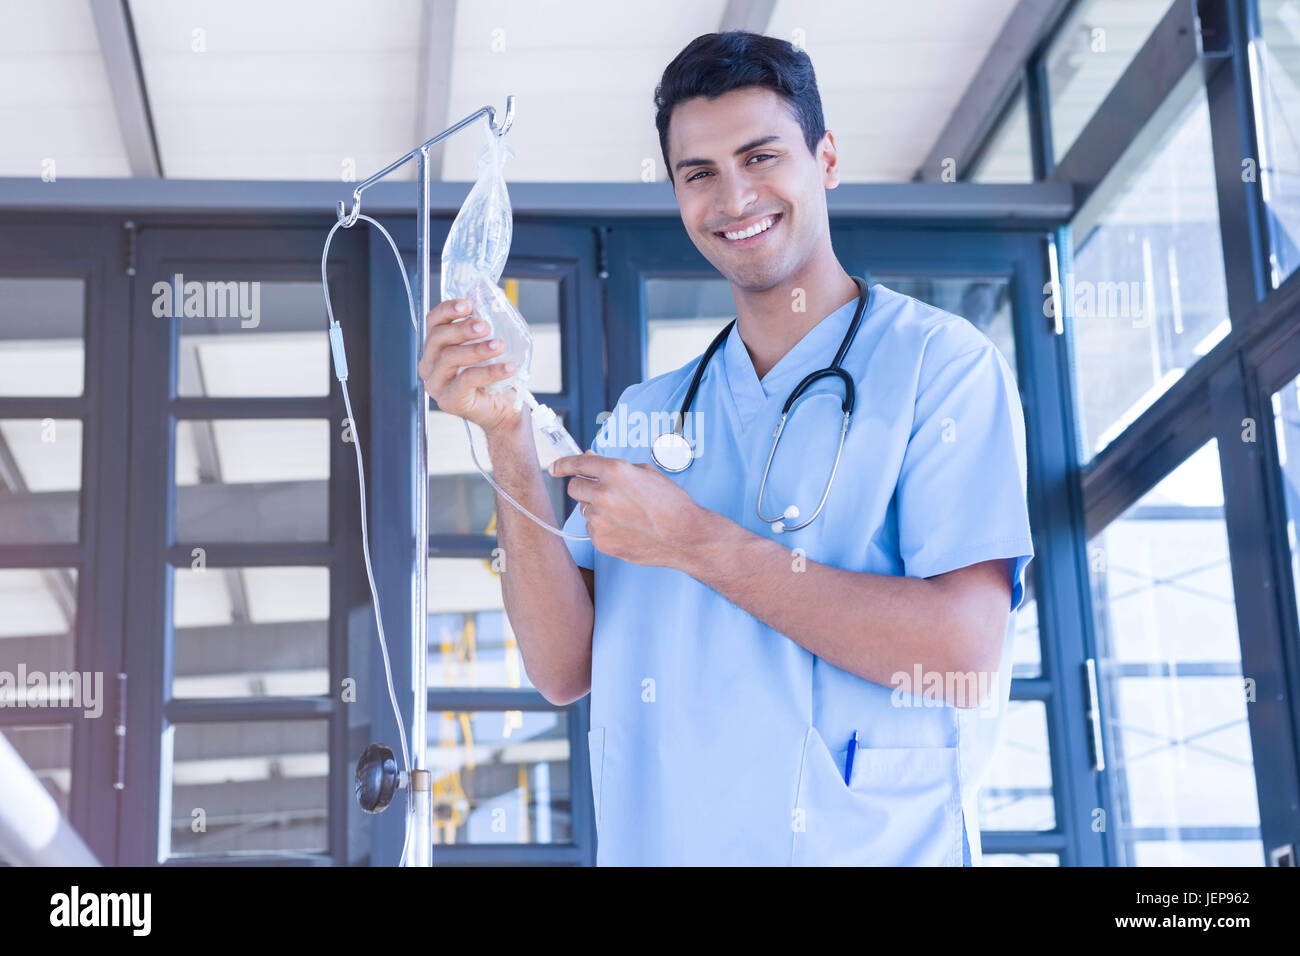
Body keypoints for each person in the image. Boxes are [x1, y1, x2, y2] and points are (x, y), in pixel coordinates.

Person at [418, 30, 1034, 865]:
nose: (734, 198)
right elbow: (564, 667)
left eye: (761, 157)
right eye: (698, 174)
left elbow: (963, 655)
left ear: (826, 160)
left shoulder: (941, 368)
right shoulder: (650, 413)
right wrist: (507, 440)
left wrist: (698, 543)